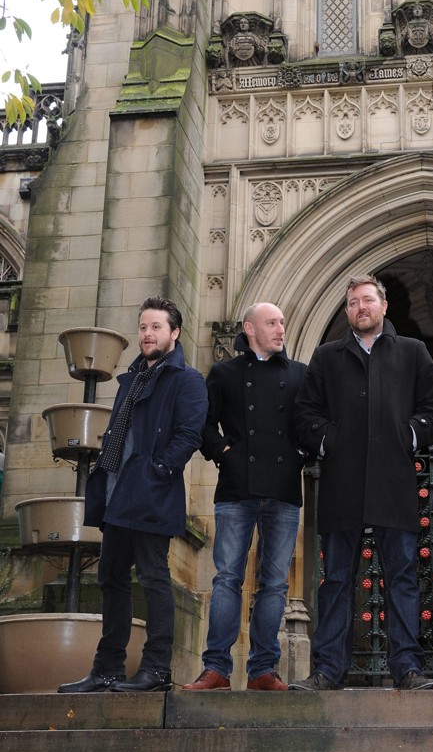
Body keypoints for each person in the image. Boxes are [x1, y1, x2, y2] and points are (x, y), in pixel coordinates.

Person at [289, 274, 433, 691]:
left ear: (384, 306)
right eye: (353, 303)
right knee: (336, 580)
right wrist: (330, 441)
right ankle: (328, 670)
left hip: (395, 485)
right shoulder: (326, 356)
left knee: (403, 578)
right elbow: (305, 413)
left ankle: (407, 668)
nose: (361, 307)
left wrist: (406, 435)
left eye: (368, 300)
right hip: (342, 486)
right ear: (347, 311)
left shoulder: (412, 352)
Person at [58, 296, 207, 693]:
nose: (147, 334)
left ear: (174, 333)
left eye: (156, 327)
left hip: (152, 493)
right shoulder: (132, 378)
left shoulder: (187, 380)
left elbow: (189, 435)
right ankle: (107, 669)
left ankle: (156, 669)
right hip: (118, 491)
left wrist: (159, 471)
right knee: (110, 576)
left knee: (154, 577)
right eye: (143, 327)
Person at [183, 303, 306, 692]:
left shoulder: (300, 374)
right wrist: (225, 454)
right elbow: (202, 423)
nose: (281, 329)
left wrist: (303, 454)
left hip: (283, 490)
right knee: (227, 579)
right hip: (237, 489)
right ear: (249, 328)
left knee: (275, 584)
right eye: (272, 323)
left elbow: (314, 421)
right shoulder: (225, 373)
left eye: (282, 323)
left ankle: (263, 670)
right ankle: (216, 668)